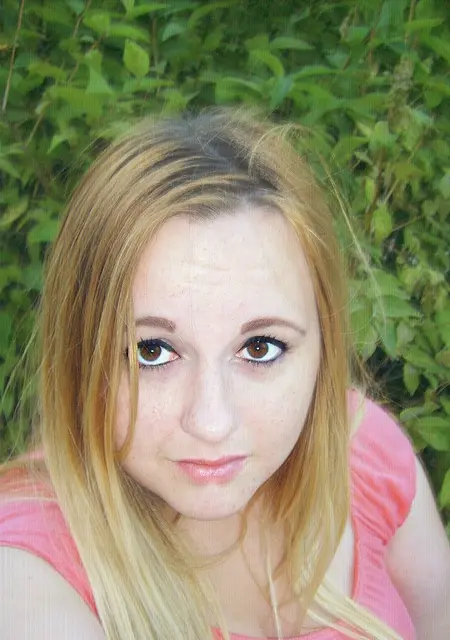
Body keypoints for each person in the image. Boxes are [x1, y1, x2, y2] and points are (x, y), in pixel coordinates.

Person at [0, 107, 449, 640]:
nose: (212, 423)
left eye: (260, 347)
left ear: (324, 346)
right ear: (79, 354)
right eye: (151, 352)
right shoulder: (27, 576)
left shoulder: (364, 450)